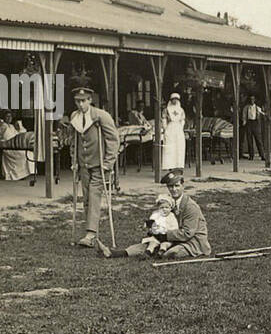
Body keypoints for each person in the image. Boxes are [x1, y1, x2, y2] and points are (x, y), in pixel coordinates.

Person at [99, 172, 210, 260]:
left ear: (183, 186)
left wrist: (164, 235)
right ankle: (115, 253)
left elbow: (187, 233)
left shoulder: (190, 206)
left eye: (177, 186)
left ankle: (159, 252)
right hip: (174, 237)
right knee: (150, 243)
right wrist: (153, 228)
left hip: (193, 241)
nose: (174, 189)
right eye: (170, 186)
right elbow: (160, 218)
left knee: (172, 253)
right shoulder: (168, 202)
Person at [65, 86, 119, 248]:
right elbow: (73, 140)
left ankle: (90, 234)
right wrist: (74, 160)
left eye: (83, 101)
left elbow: (113, 140)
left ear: (90, 100)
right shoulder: (75, 116)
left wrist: (108, 163)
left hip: (99, 165)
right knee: (87, 198)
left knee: (95, 196)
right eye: (77, 101)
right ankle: (90, 230)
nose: (80, 104)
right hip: (83, 165)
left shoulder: (101, 116)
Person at [160, 92, 187, 177]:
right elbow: (164, 119)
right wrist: (166, 128)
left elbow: (183, 119)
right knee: (170, 148)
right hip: (170, 128)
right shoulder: (166, 109)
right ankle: (170, 167)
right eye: (173, 99)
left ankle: (179, 166)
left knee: (179, 148)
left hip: (178, 129)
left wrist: (180, 126)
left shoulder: (181, 110)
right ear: (171, 100)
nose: (175, 101)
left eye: (176, 99)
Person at [243, 94, 266, 160]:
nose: (252, 101)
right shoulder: (246, 107)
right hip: (249, 123)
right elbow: (244, 115)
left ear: (255, 100)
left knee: (258, 140)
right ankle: (251, 155)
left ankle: (262, 155)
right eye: (250, 99)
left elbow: (262, 113)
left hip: (256, 123)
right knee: (249, 140)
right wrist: (244, 122)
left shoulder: (257, 107)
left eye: (253, 99)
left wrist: (264, 114)